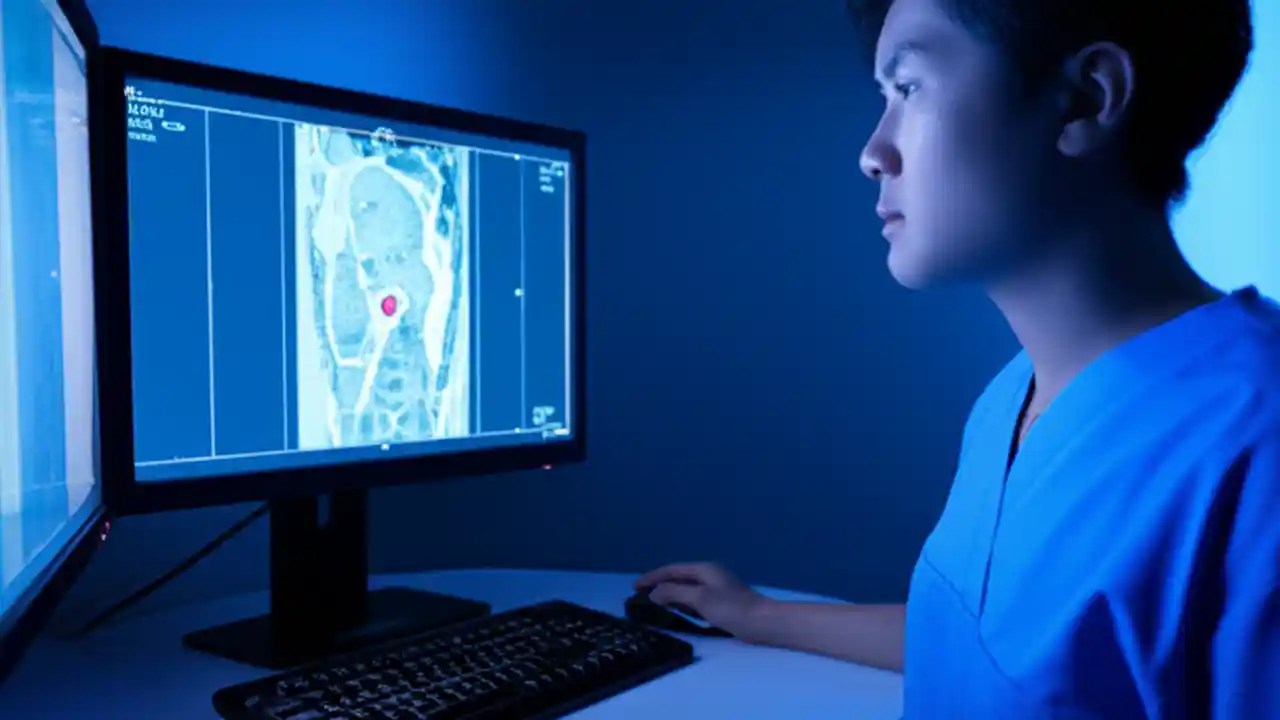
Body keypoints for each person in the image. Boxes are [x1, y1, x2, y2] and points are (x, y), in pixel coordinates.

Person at [637, 0, 1278, 716]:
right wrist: (759, 614)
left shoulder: (1257, 446)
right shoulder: (1011, 401)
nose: (873, 151)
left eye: (908, 89)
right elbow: (1002, 648)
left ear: (1086, 98)